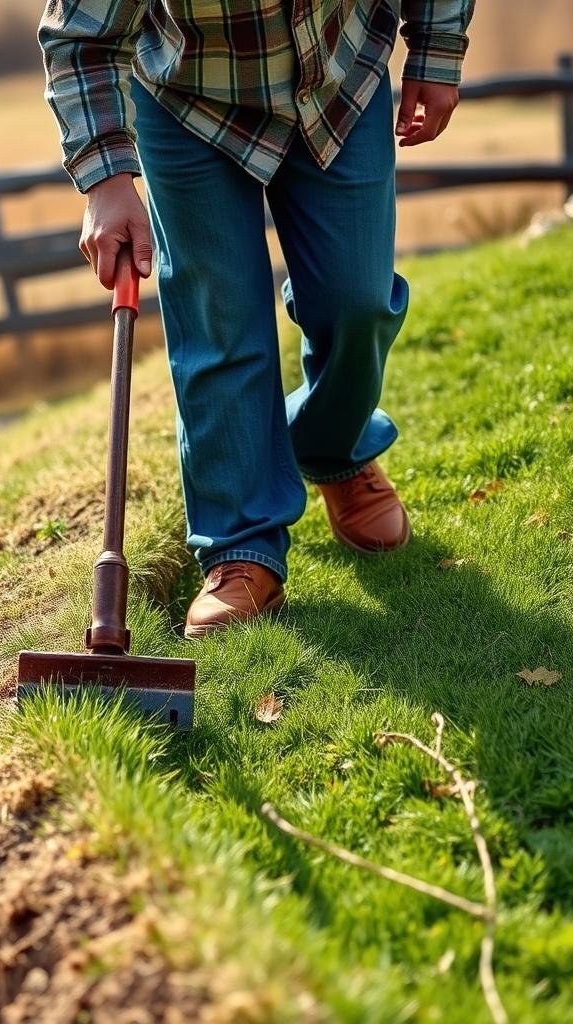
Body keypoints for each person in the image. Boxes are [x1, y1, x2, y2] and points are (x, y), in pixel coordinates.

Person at [40, 0, 474, 638]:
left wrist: (437, 48)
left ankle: (330, 448)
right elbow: (79, 34)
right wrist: (105, 178)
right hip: (191, 100)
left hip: (337, 78)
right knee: (219, 327)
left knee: (355, 301)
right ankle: (241, 547)